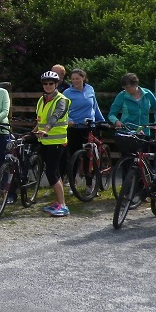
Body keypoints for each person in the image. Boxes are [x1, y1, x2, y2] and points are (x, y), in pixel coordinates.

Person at [108, 73, 156, 171]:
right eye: (124, 87)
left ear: (135, 84)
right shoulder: (122, 95)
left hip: (143, 133)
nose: (126, 90)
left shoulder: (147, 94)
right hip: (127, 132)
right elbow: (111, 114)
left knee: (143, 162)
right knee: (127, 163)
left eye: (128, 87)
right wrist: (116, 121)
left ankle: (143, 180)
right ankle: (127, 180)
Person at [34, 70, 71, 216]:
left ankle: (63, 206)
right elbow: (40, 120)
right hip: (44, 141)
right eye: (45, 83)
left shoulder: (61, 100)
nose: (48, 86)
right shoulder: (42, 99)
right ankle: (59, 202)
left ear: (56, 84)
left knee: (51, 173)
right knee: (54, 172)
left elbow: (55, 116)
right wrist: (32, 132)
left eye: (51, 83)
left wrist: (46, 130)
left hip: (56, 141)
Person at [64, 68, 106, 170]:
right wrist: (68, 120)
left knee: (89, 154)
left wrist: (101, 120)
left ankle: (89, 178)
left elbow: (95, 106)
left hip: (89, 125)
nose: (75, 81)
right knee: (74, 154)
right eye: (73, 79)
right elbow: (63, 110)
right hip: (74, 126)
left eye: (77, 78)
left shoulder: (90, 89)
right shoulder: (67, 93)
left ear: (83, 78)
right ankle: (71, 177)